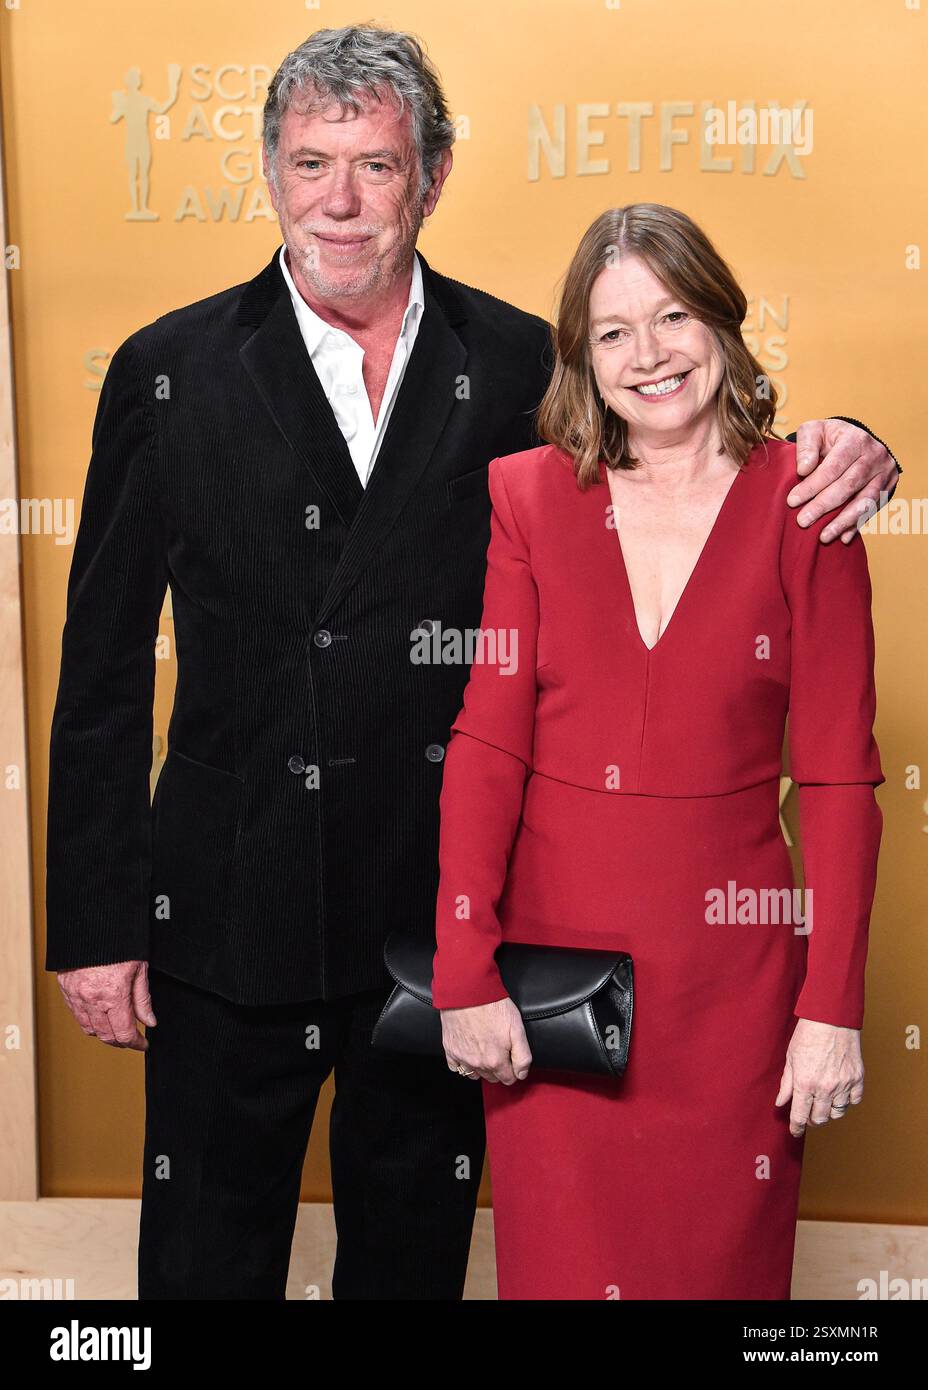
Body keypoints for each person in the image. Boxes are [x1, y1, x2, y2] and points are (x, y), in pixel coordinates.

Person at [45, 25, 896, 1302]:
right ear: (270, 174)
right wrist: (97, 925)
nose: (339, 202)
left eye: (376, 166)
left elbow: (681, 420)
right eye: (309, 162)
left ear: (431, 178)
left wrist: (853, 442)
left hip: (441, 927)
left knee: (410, 1268)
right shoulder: (168, 371)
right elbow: (102, 669)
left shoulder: (516, 367)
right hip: (225, 917)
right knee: (201, 1272)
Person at [432, 203, 885, 1300]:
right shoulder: (528, 497)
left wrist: (830, 1010)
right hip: (554, 997)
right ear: (581, 359)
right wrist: (463, 971)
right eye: (613, 331)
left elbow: (837, 780)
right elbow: (487, 741)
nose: (649, 354)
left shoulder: (808, 503)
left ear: (721, 324)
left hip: (731, 994)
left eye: (673, 315)